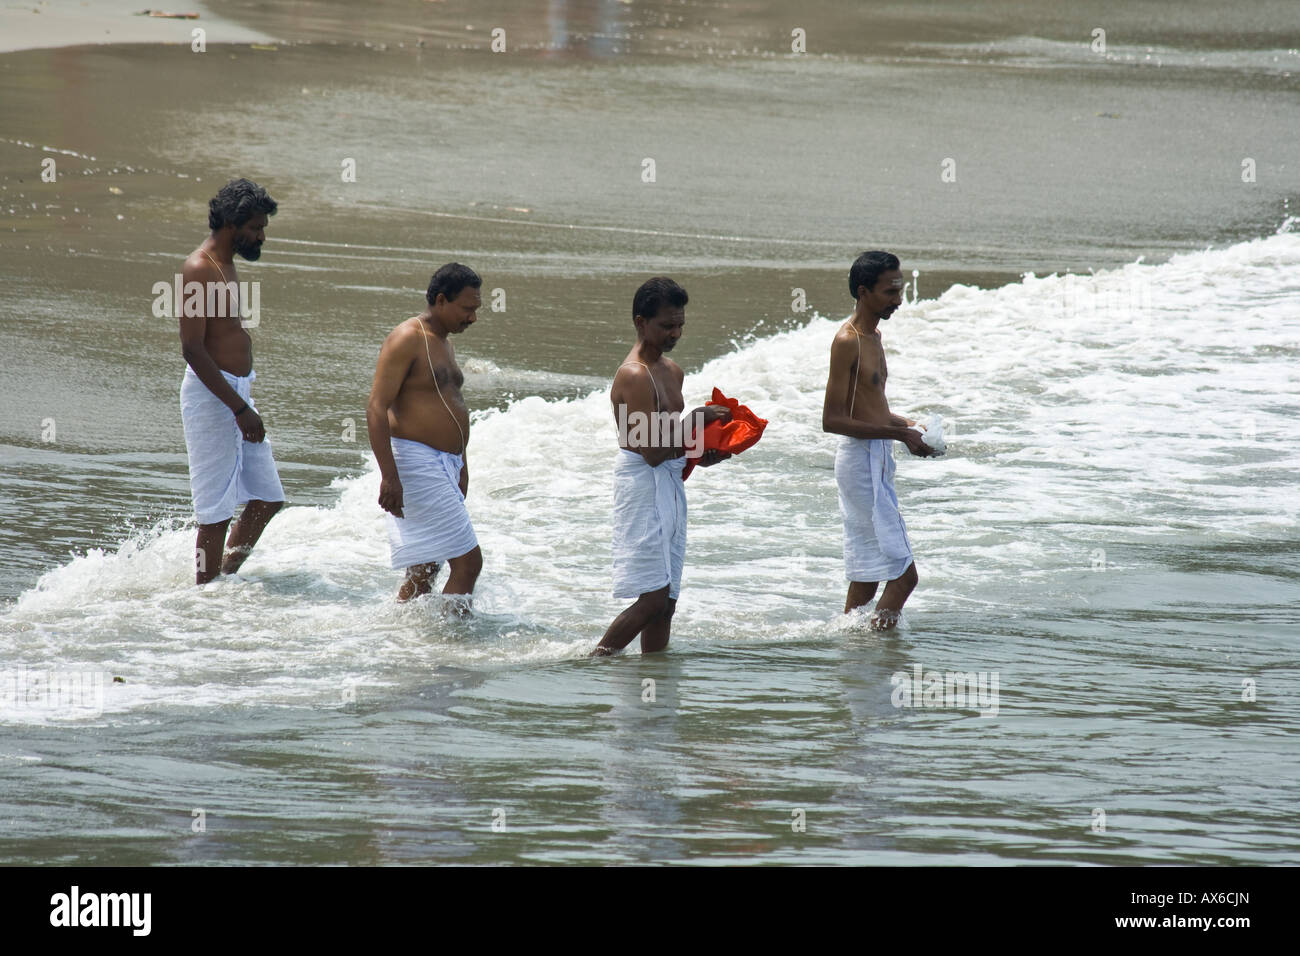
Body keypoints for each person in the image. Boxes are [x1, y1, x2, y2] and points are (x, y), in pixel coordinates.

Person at [591, 277, 731, 656]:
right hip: (641, 483)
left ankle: (655, 678)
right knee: (651, 599)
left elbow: (670, 444)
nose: (675, 333)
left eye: (680, 324)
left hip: (668, 482)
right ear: (641, 322)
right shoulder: (635, 375)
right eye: (666, 325)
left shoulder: (672, 370)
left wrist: (703, 452)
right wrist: (697, 421)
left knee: (667, 601)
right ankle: (595, 661)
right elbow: (651, 451)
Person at [178, 178, 284, 585]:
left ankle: (223, 576)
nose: (260, 236)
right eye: (256, 228)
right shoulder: (198, 268)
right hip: (213, 398)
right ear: (232, 223)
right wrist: (238, 410)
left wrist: (243, 401)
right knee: (215, 510)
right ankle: (204, 596)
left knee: (267, 497)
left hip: (237, 393)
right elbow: (192, 348)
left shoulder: (227, 264)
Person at [822, 250, 934, 629]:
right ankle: (877, 642)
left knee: (868, 571)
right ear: (863, 291)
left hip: (876, 455)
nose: (898, 300)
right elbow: (833, 419)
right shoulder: (847, 340)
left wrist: (909, 425)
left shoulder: (874, 336)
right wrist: (898, 433)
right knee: (905, 576)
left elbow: (872, 409)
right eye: (889, 292)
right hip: (859, 461)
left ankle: (850, 645)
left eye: (899, 290)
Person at [367, 263, 483, 608]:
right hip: (416, 461)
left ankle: (404, 636)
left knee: (426, 564)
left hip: (444, 464)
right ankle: (452, 646)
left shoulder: (444, 342)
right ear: (442, 300)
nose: (473, 318)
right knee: (468, 562)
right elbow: (376, 407)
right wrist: (389, 475)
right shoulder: (407, 337)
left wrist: (461, 464)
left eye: (476, 309)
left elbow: (449, 406)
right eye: (467, 309)